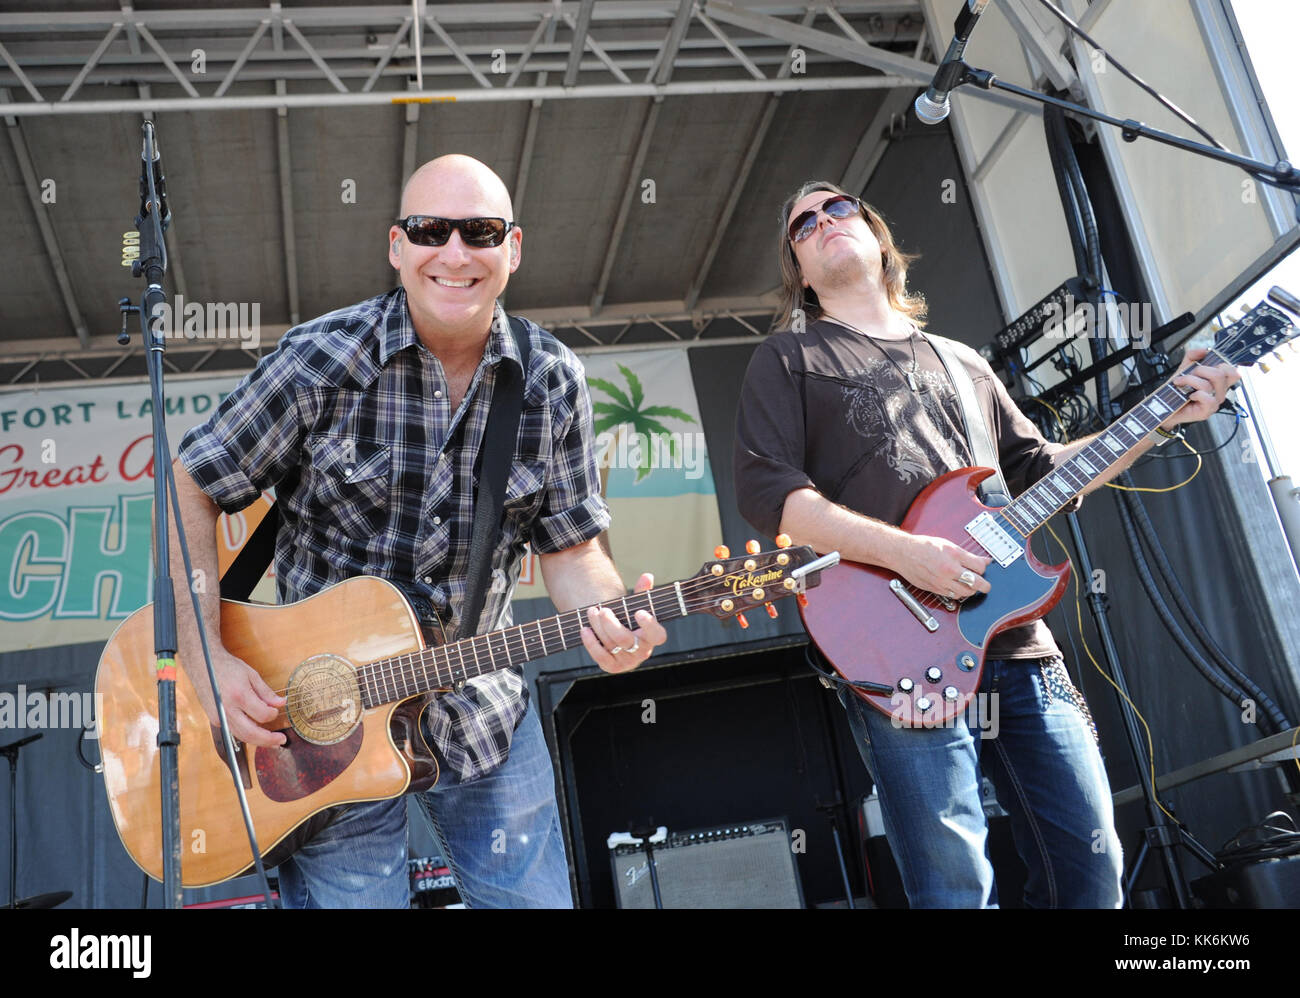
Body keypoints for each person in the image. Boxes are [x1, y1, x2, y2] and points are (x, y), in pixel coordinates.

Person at [169, 154, 666, 908]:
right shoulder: (321, 359)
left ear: (514, 249)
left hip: (483, 717)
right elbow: (189, 486)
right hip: (317, 728)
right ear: (397, 246)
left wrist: (609, 615)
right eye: (431, 230)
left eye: (481, 232)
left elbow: (572, 550)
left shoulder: (552, 379)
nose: (456, 253)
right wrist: (205, 657)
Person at [732, 180, 1239, 908]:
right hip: (894, 647)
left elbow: (1043, 471)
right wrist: (910, 555)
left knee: (1090, 872)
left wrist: (1162, 415)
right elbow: (772, 497)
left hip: (1019, 642)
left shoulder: (962, 361)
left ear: (878, 238)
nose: (821, 222)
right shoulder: (788, 359)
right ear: (800, 274)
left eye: (836, 208)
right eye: (802, 224)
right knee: (954, 887)